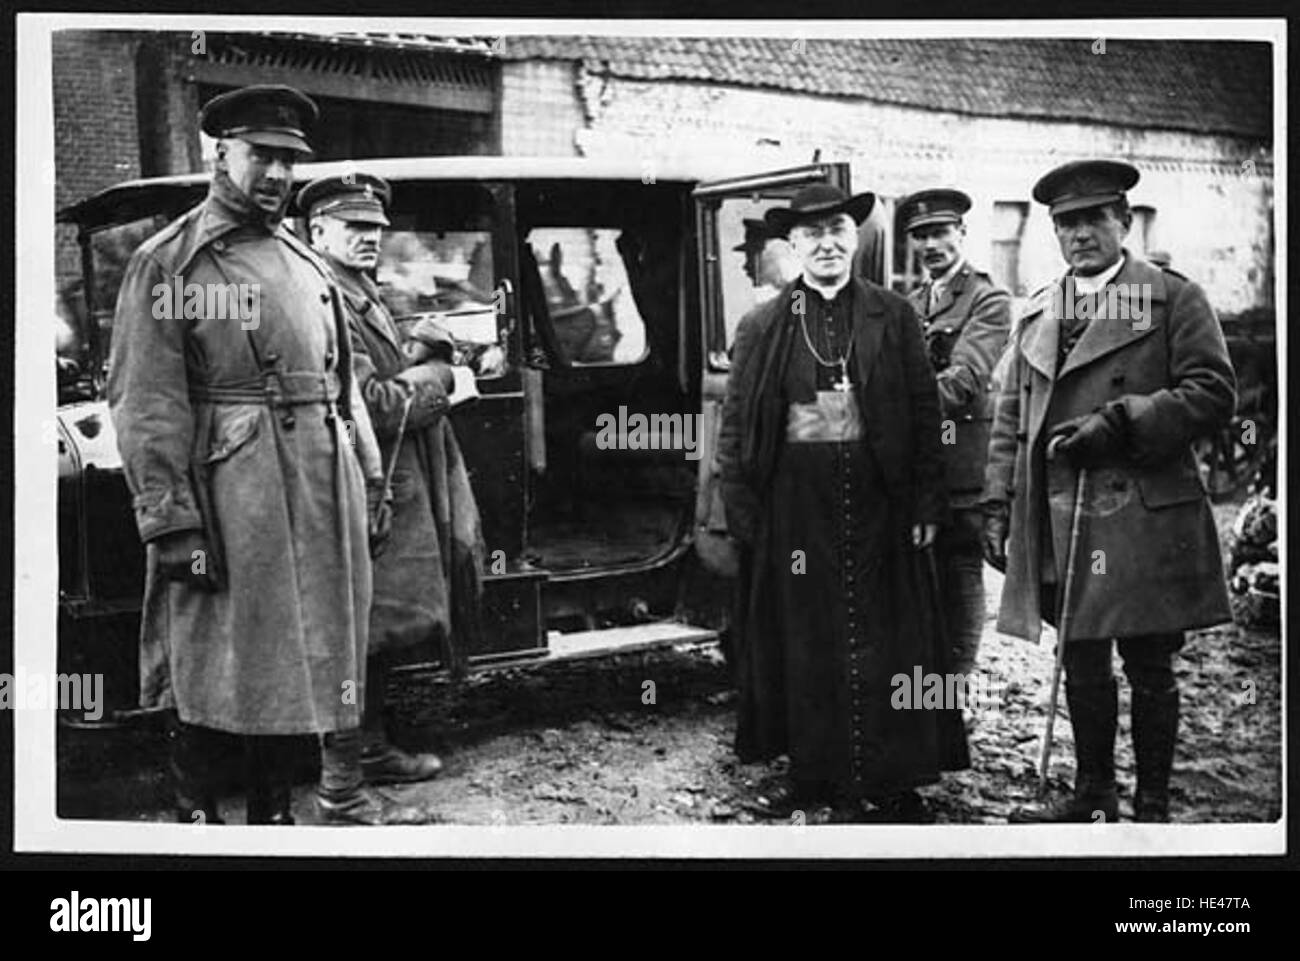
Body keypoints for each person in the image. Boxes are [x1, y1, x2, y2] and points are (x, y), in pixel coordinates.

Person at [108, 84, 433, 826]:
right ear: (219, 153)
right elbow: (148, 403)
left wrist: (370, 484)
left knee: (322, 651)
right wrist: (173, 524)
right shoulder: (175, 267)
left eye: (290, 161)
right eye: (264, 157)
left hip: (324, 485)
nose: (280, 176)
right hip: (239, 494)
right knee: (222, 659)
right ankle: (200, 815)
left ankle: (293, 809)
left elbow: (342, 385)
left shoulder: (303, 260)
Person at [982, 160, 1236, 822]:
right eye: (1066, 223)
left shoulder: (1173, 298)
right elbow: (1011, 413)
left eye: (1094, 219)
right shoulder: (1040, 308)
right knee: (1080, 656)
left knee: (1150, 663)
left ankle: (1152, 807)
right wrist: (995, 503)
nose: (1080, 234)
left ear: (1125, 222)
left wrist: (1123, 421)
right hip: (1065, 516)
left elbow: (1212, 390)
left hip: (1143, 515)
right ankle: (1092, 792)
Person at [718, 184, 967, 823]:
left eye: (837, 230)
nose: (826, 243)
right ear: (793, 244)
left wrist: (925, 505)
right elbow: (738, 421)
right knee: (806, 643)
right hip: (796, 513)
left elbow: (923, 412)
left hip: (882, 508)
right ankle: (813, 774)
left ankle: (893, 777)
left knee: (889, 640)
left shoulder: (893, 314)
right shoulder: (763, 324)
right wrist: (743, 511)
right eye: (812, 233)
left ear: (854, 239)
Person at [298, 172, 485, 787]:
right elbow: (370, 402)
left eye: (375, 228)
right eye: (354, 228)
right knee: (364, 623)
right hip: (362, 482)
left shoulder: (357, 290)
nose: (369, 238)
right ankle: (363, 752)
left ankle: (367, 742)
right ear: (317, 229)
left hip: (383, 479)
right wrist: (438, 376)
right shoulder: (325, 296)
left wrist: (414, 345)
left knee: (376, 622)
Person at [901, 188, 1011, 676]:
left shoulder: (988, 300)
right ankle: (928, 685)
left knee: (961, 570)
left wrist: (893, 412)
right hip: (918, 462)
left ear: (961, 234)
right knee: (919, 574)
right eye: (921, 235)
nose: (930, 245)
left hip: (961, 459)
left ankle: (958, 685)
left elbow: (965, 379)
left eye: (940, 233)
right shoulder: (909, 302)